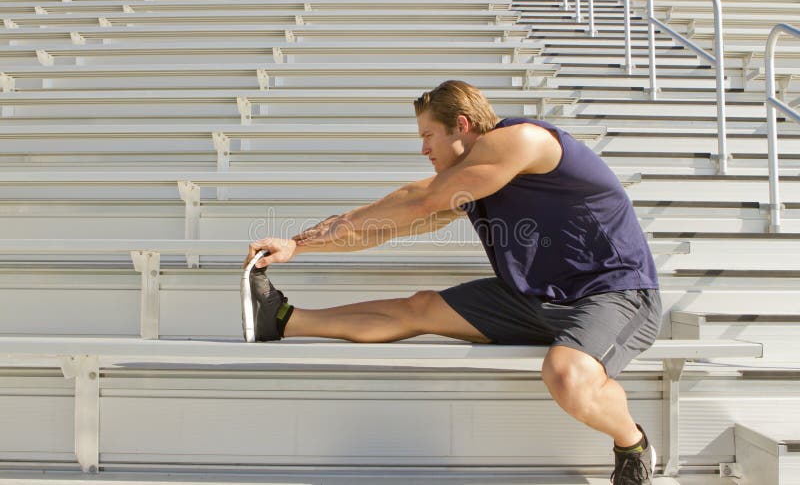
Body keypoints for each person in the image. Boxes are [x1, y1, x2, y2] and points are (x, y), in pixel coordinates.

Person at [242, 80, 662, 485]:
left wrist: (305, 241)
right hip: (534, 298)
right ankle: (281, 320)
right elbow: (382, 227)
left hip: (616, 293)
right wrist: (296, 245)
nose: (423, 148)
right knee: (421, 307)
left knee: (567, 375)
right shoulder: (473, 183)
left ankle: (633, 446)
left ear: (462, 125)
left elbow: (420, 198)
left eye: (429, 136)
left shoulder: (522, 140)